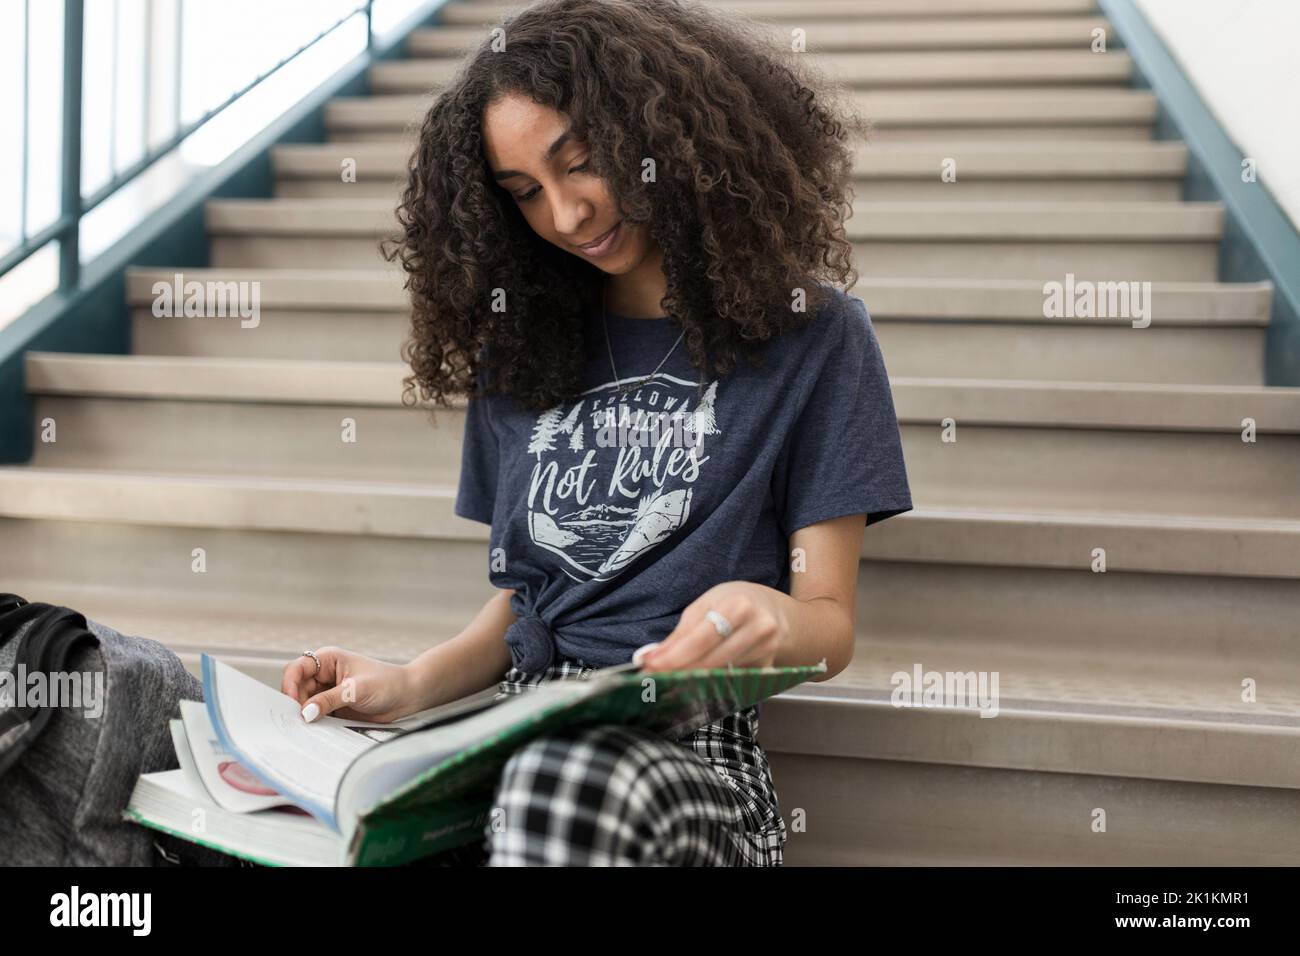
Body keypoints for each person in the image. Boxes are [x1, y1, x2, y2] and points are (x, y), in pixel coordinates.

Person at [1, 0, 913, 867]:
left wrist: (771, 617)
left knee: (559, 782)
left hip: (680, 762)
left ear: (661, 133)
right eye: (524, 192)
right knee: (96, 692)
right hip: (498, 748)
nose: (566, 214)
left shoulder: (814, 336)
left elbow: (829, 626)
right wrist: (407, 684)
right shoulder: (524, 345)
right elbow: (532, 605)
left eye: (584, 161)